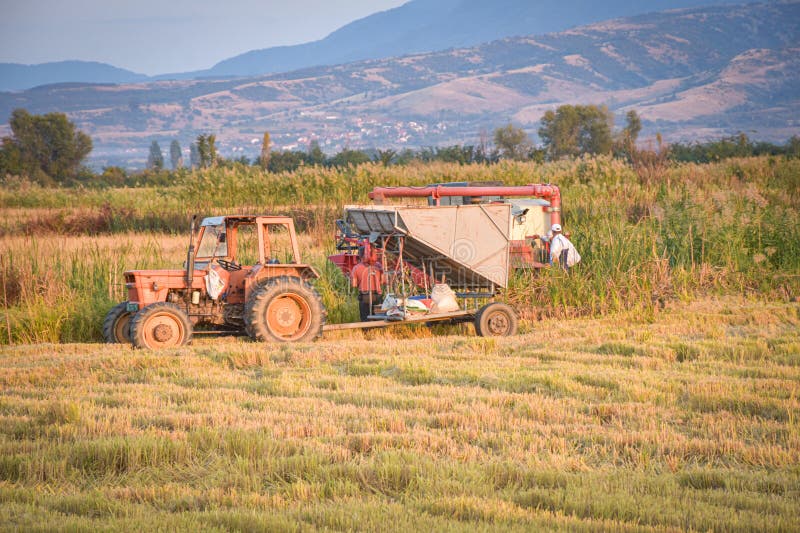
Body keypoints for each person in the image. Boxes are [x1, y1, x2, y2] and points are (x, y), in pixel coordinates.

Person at [350, 248, 383, 321]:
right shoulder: (378, 266)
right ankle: (380, 330)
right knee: (379, 318)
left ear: (360, 256)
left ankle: (367, 330)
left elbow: (354, 285)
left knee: (365, 319)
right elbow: (383, 281)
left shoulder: (356, 268)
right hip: (377, 295)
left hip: (364, 296)